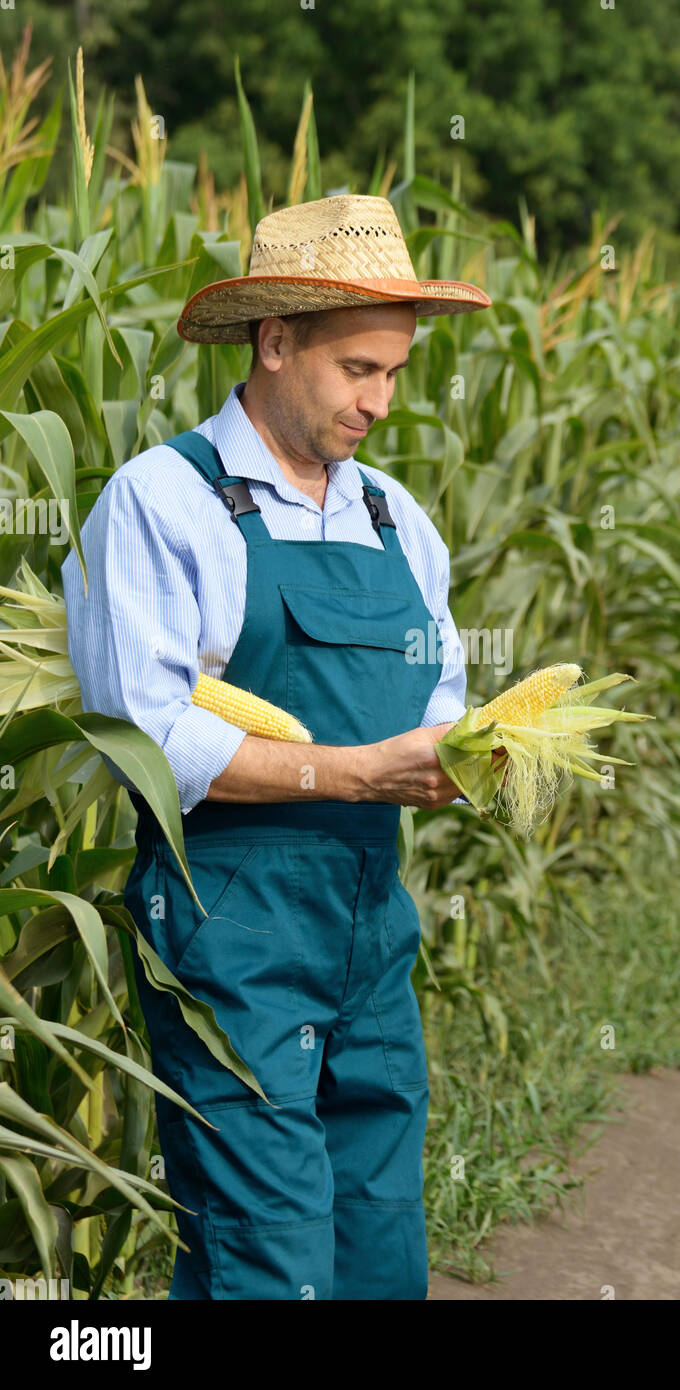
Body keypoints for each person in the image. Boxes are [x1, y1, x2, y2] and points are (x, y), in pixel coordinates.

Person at [61, 194, 495, 1300]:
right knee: (269, 1256)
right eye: (357, 369)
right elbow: (147, 738)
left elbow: (439, 695)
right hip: (229, 929)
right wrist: (355, 772)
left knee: (379, 1242)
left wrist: (474, 756)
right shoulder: (165, 503)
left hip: (369, 924)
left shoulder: (394, 517)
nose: (379, 402)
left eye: (393, 373)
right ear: (273, 341)